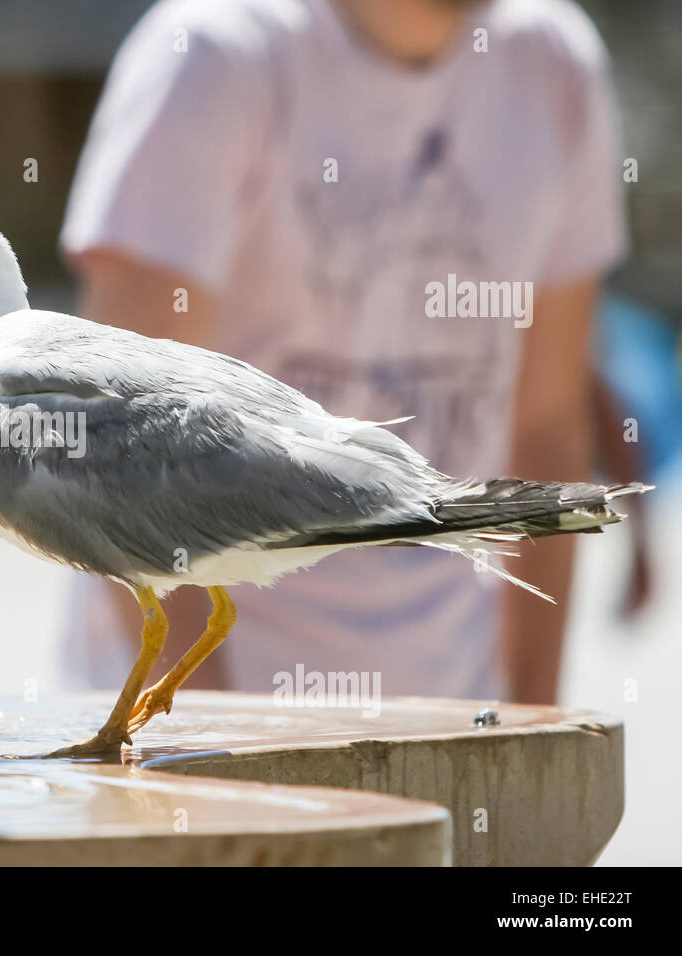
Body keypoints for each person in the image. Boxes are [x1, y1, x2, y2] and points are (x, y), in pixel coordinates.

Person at [59, 0, 627, 703]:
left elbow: (546, 424)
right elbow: (115, 437)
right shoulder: (213, 55)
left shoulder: (554, 60)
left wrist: (533, 727)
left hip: (450, 714)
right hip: (208, 729)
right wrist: (215, 766)